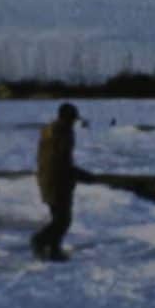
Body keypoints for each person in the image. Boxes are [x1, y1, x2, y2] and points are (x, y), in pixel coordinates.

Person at [31, 103, 94, 260]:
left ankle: (53, 250)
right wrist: (78, 174)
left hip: (47, 177)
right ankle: (40, 240)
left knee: (59, 217)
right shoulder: (63, 133)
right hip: (58, 180)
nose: (74, 122)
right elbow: (61, 160)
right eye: (72, 119)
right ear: (67, 118)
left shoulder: (49, 130)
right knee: (63, 220)